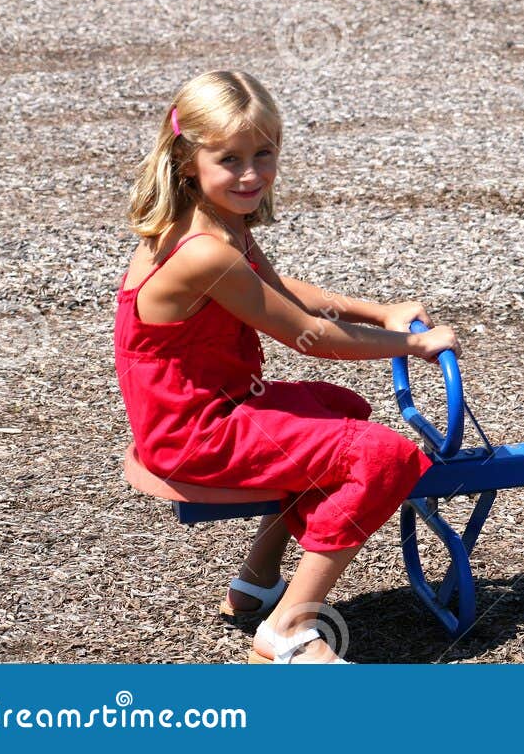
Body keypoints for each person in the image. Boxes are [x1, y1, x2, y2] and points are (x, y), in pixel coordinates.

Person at [115, 70, 458, 662]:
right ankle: (288, 630)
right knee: (383, 456)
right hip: (196, 432)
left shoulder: (215, 221)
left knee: (338, 407)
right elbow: (307, 333)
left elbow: (279, 292)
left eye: (263, 154)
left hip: (218, 407)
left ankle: (256, 581)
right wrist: (413, 346)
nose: (251, 174)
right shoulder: (201, 252)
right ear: (188, 157)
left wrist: (381, 313)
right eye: (231, 159)